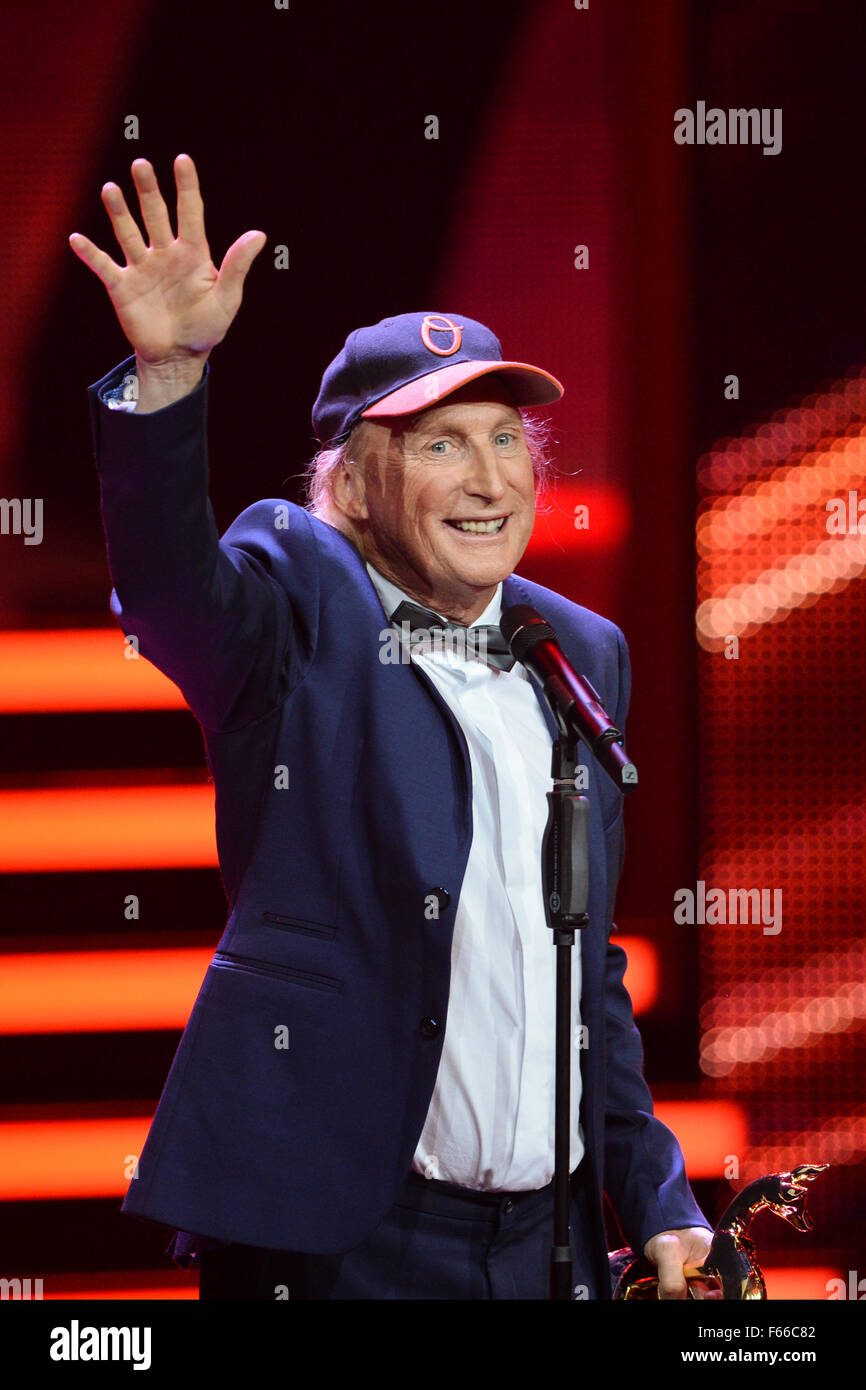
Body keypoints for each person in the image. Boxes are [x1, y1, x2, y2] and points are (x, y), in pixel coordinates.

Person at [70, 154, 713, 1300]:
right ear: (355, 487)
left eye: (504, 438)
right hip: (345, 1240)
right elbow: (172, 590)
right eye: (436, 444)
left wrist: (653, 1193)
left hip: (545, 1249)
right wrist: (170, 373)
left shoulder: (581, 653)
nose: (487, 478)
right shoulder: (295, 611)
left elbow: (585, 972)